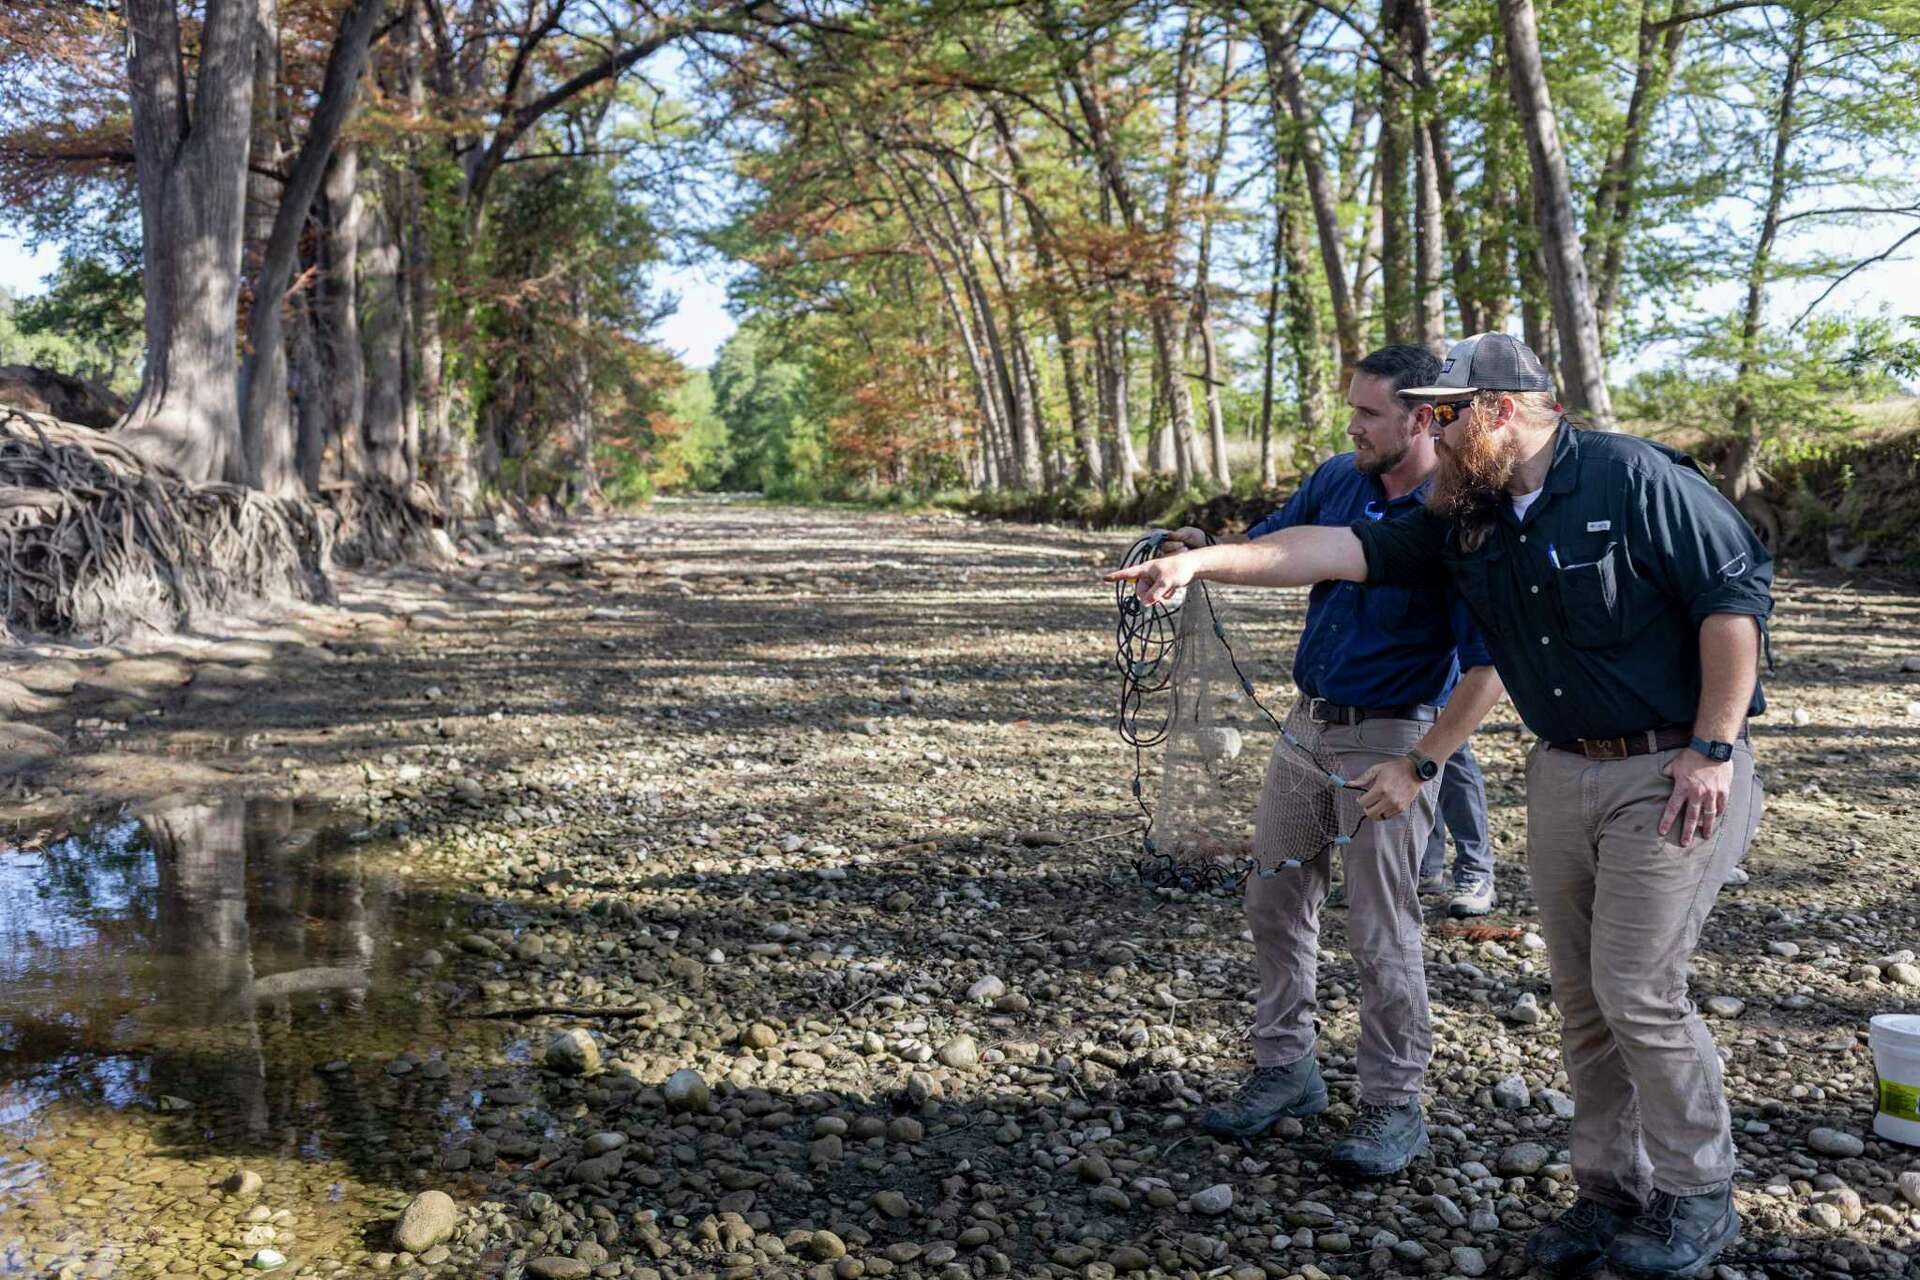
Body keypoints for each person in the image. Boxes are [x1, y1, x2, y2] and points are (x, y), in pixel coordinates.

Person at [1107, 332, 1770, 1280]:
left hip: (1672, 771)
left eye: (1445, 413)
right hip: (1563, 767)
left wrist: (1712, 749)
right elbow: (1331, 549)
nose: (1432, 428)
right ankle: (1609, 1195)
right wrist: (1200, 564)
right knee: (1583, 998)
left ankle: (1698, 1197)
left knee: (1639, 990)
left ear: (1498, 410)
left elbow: (1731, 603)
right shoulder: (1471, 513)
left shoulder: (1633, 477)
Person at [1166, 344, 1507, 1180]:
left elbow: (1488, 668)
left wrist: (1422, 765)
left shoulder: (1459, 514)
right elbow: (1276, 548)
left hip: (1391, 738)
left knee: (1382, 927)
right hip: (1305, 726)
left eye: (1367, 414)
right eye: (1350, 409)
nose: (1351, 427)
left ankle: (1395, 1106)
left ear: (1423, 417)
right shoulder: (1337, 479)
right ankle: (1287, 1070)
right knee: (1274, 900)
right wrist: (1197, 551)